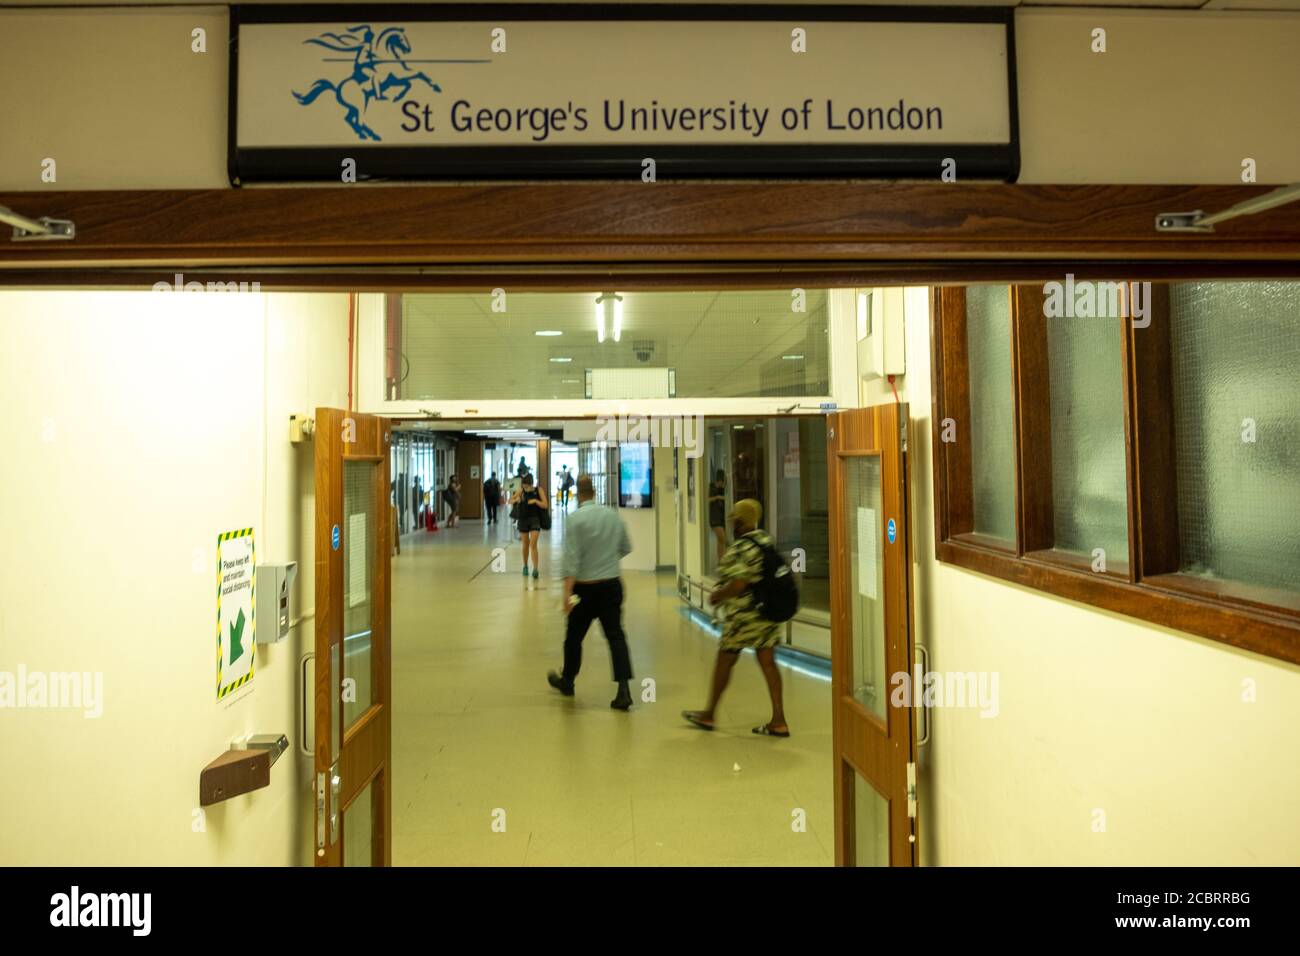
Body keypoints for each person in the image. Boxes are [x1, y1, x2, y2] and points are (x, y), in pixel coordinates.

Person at [682, 499, 789, 737]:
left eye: (734, 520)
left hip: (743, 618)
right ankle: (779, 720)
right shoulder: (765, 540)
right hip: (766, 614)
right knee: (769, 664)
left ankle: (709, 714)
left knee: (725, 662)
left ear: (739, 522)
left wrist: (719, 595)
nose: (731, 524)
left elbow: (739, 584)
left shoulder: (741, 548)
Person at [548, 474, 634, 710]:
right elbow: (625, 547)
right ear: (594, 491)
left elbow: (572, 559)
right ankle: (624, 690)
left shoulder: (575, 519)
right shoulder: (612, 515)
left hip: (584, 589)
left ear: (578, 493)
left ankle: (568, 681)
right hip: (611, 586)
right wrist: (606, 560)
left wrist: (567, 593)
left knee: (574, 637)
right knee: (616, 636)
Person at [508, 473, 548, 581]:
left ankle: (535, 569)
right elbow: (510, 500)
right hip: (523, 519)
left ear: (531, 484)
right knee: (525, 544)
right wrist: (516, 500)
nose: (525, 487)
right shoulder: (521, 490)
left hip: (535, 519)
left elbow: (545, 505)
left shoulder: (538, 490)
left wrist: (535, 501)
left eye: (527, 485)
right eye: (524, 485)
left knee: (533, 544)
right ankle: (525, 566)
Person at [707, 469, 728, 563]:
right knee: (722, 538)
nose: (722, 485)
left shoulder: (722, 489)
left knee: (721, 540)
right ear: (719, 480)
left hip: (721, 516)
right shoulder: (711, 487)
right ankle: (721, 559)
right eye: (722, 482)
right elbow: (707, 499)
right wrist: (717, 497)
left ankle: (721, 559)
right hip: (714, 517)